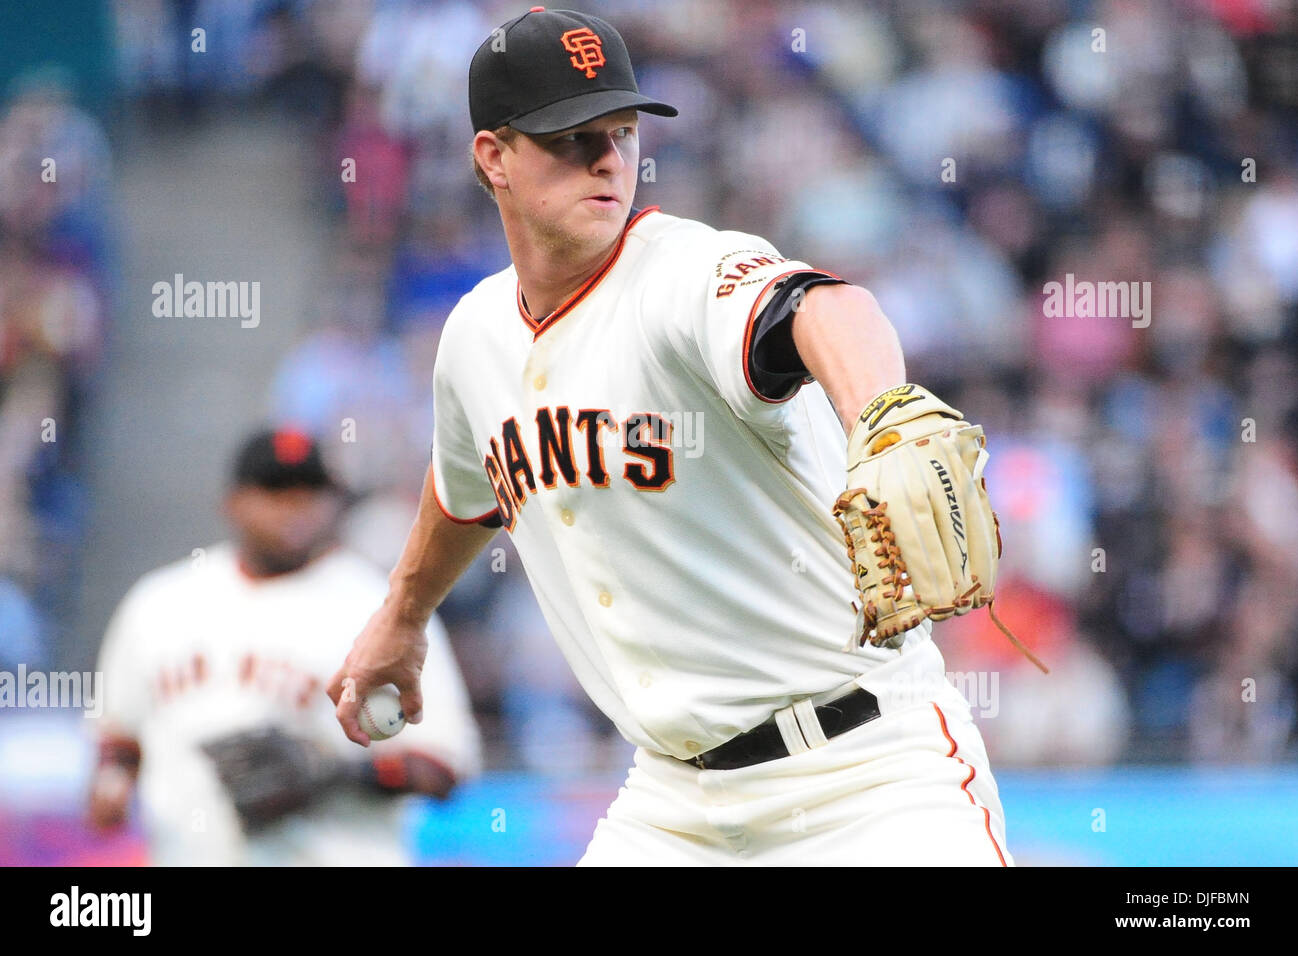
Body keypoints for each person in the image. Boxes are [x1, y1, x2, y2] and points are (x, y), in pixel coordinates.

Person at [330, 7, 1014, 866]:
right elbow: (464, 486)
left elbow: (829, 307)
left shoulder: (681, 274)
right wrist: (401, 617)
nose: (607, 158)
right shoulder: (473, 338)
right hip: (674, 803)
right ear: (492, 157)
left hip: (866, 777)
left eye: (619, 131)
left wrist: (882, 419)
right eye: (569, 137)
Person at [89, 427, 480, 866]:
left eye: (311, 492)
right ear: (232, 502)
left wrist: (335, 774)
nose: (296, 508)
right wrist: (112, 785)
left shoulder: (387, 609)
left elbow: (446, 769)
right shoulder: (158, 602)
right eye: (275, 491)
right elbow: (118, 741)